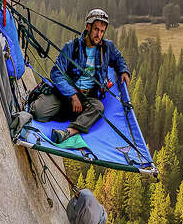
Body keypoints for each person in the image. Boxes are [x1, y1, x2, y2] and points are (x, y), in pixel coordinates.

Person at [30, 8, 131, 143]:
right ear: (88, 27)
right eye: (96, 29)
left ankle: (69, 132)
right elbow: (56, 73)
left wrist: (124, 71)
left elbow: (118, 58)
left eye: (102, 31)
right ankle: (47, 101)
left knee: (98, 107)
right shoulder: (72, 47)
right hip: (65, 95)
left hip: (86, 98)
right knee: (38, 113)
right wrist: (72, 95)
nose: (99, 34)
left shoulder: (107, 48)